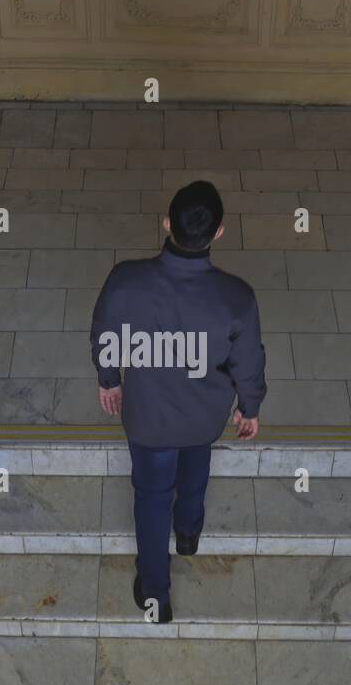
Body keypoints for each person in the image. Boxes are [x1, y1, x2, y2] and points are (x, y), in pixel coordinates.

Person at [89, 180, 267, 624]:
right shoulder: (237, 298)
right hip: (205, 417)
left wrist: (109, 381)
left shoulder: (126, 280)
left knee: (151, 498)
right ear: (219, 233)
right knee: (196, 463)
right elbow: (249, 363)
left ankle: (155, 593)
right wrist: (250, 407)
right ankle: (188, 532)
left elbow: (106, 336)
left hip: (148, 418)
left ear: (167, 224)